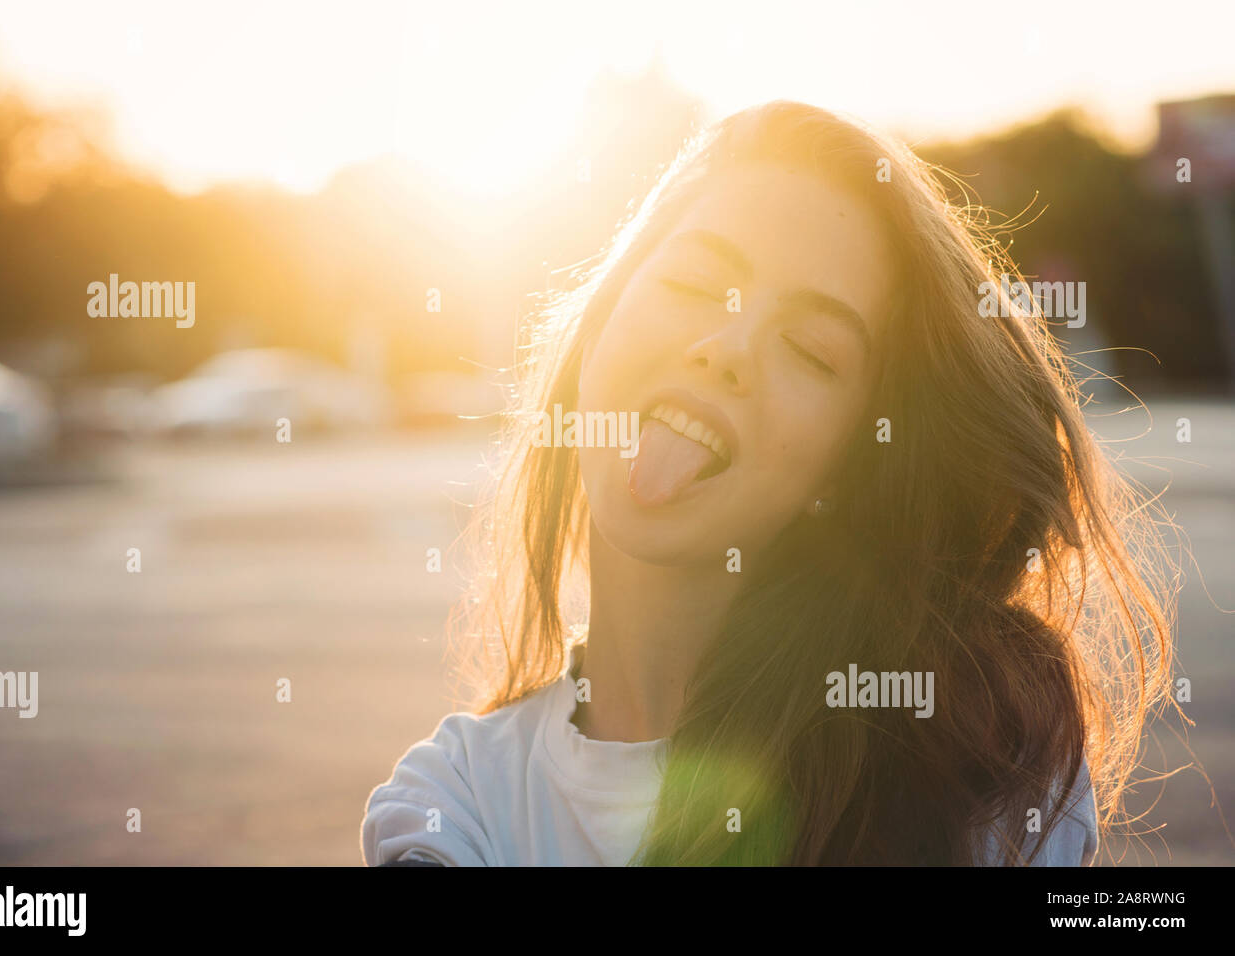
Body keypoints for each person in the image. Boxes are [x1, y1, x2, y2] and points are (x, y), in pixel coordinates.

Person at [362, 101, 1179, 866]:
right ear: (603, 319)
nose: (729, 346)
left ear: (845, 465)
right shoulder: (453, 800)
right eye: (692, 284)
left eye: (811, 350)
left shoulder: (980, 766)